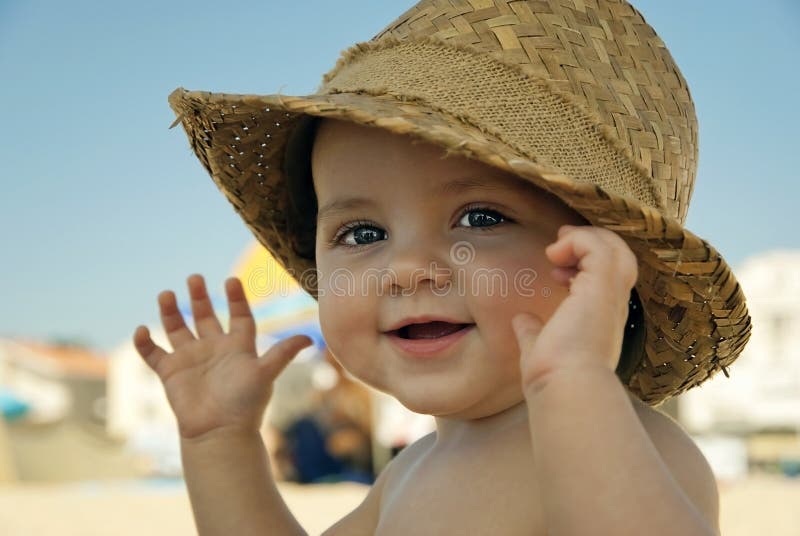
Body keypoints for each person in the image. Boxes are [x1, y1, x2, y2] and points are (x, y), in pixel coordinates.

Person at [135, 1, 752, 534]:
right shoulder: (407, 476)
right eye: (363, 232)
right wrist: (220, 443)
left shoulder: (634, 446)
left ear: (603, 269)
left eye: (480, 219)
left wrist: (574, 383)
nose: (405, 269)